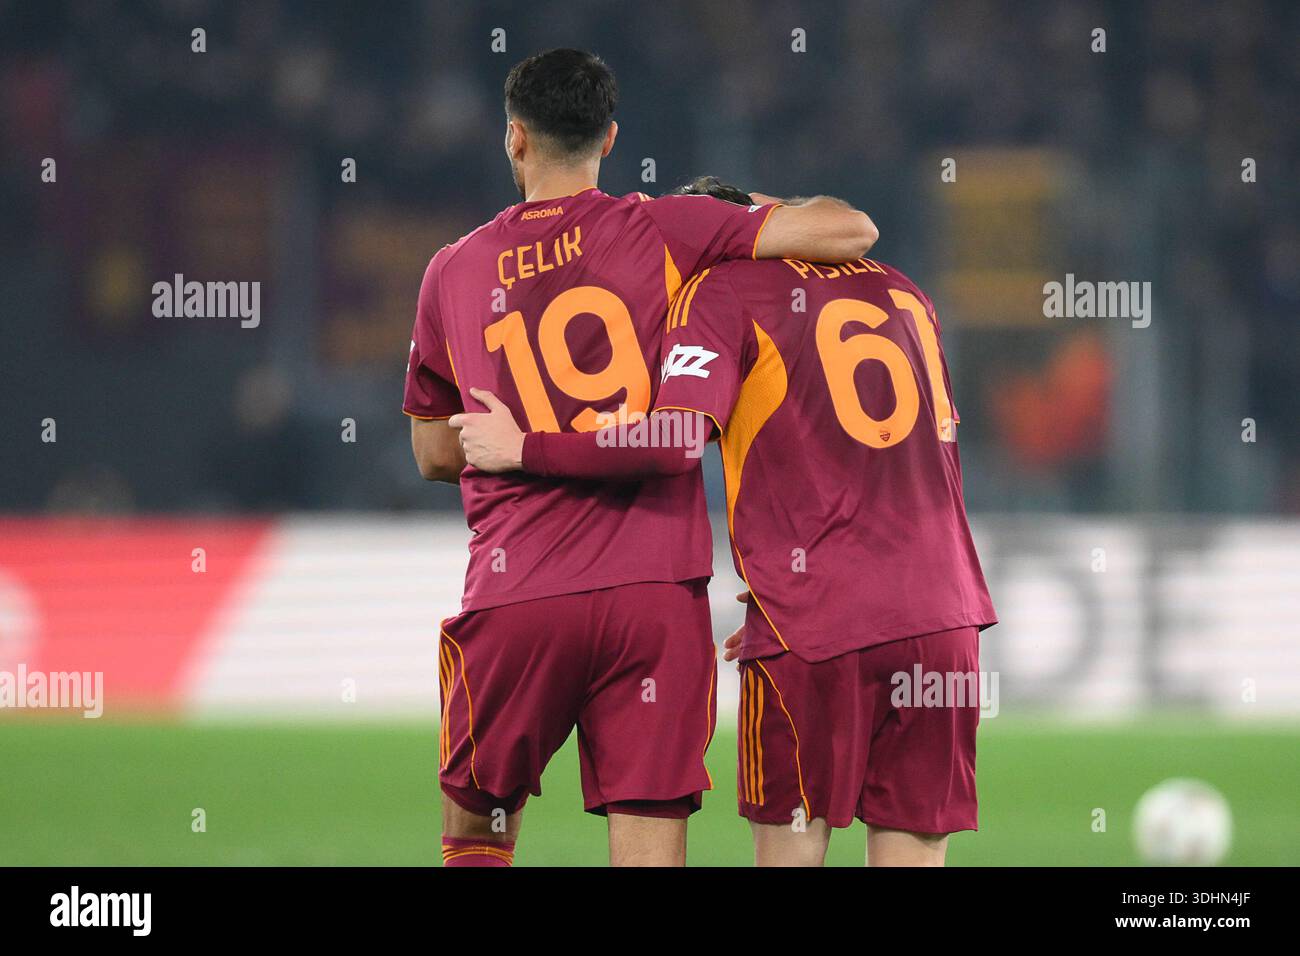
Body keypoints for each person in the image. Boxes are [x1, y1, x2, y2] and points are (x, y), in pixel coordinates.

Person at [406, 52, 879, 867]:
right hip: (653, 597)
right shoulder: (667, 227)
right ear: (610, 138)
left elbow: (436, 452)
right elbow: (850, 231)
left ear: (514, 138)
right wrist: (745, 210)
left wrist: (516, 443)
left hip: (521, 589)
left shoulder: (452, 270)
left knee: (477, 822)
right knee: (649, 829)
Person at [452, 177, 996, 866]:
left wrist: (525, 447)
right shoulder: (904, 291)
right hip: (945, 619)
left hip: (815, 630)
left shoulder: (720, 290)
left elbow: (673, 441)